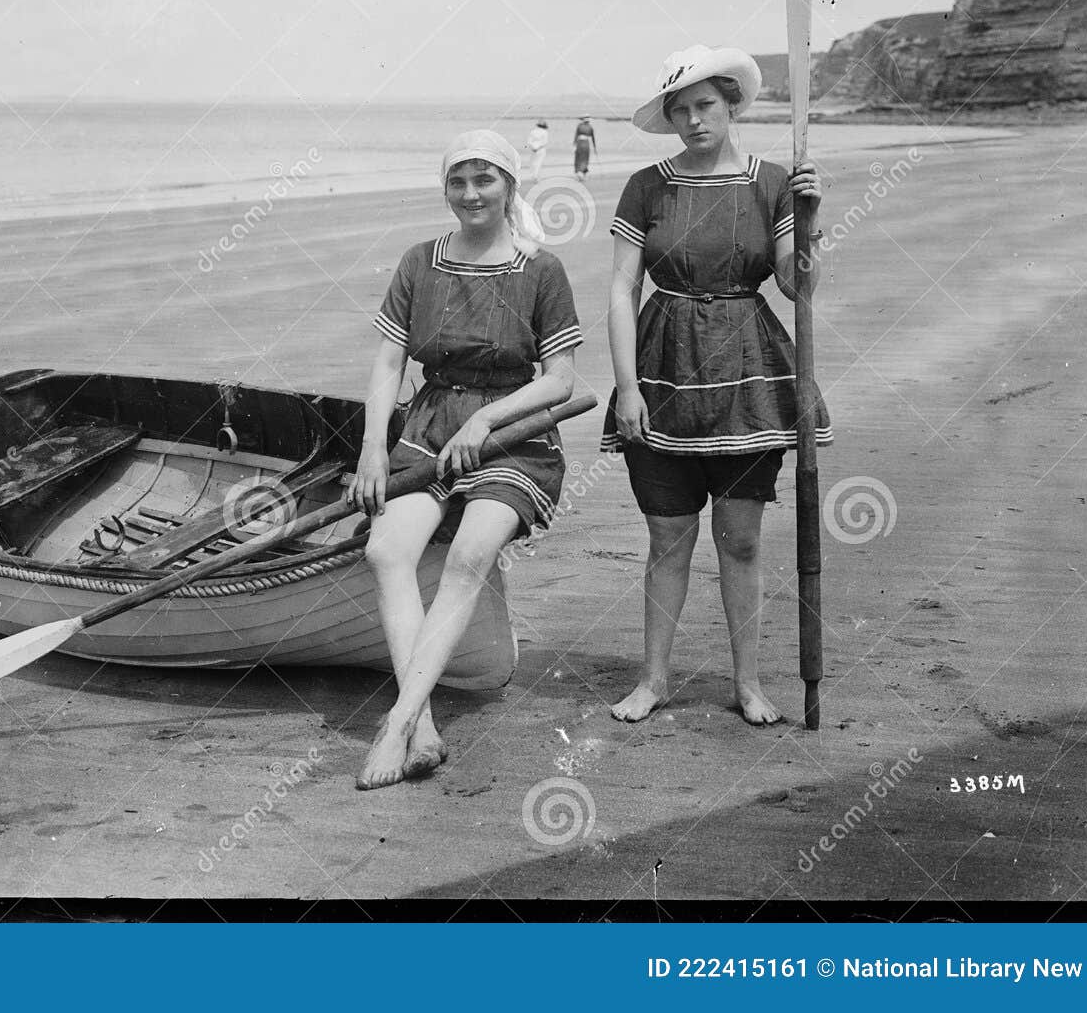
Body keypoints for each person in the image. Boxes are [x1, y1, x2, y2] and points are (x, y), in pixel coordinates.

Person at [601, 44, 831, 726]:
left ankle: (748, 683)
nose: (694, 120)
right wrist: (626, 388)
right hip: (662, 365)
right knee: (668, 537)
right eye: (681, 111)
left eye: (706, 105)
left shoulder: (773, 183)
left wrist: (810, 222)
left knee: (741, 540)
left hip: (748, 370)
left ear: (732, 105)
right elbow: (621, 288)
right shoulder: (647, 186)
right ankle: (653, 679)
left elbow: (797, 285)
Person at [348, 129, 583, 789]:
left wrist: (486, 418)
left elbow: (561, 380)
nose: (471, 193)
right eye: (458, 181)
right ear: (445, 188)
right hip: (430, 427)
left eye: (485, 180)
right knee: (385, 551)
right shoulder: (419, 261)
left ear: (509, 187)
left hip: (514, 435)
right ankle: (422, 726)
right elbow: (389, 363)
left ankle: (396, 723)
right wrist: (373, 449)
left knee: (468, 556)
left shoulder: (541, 270)